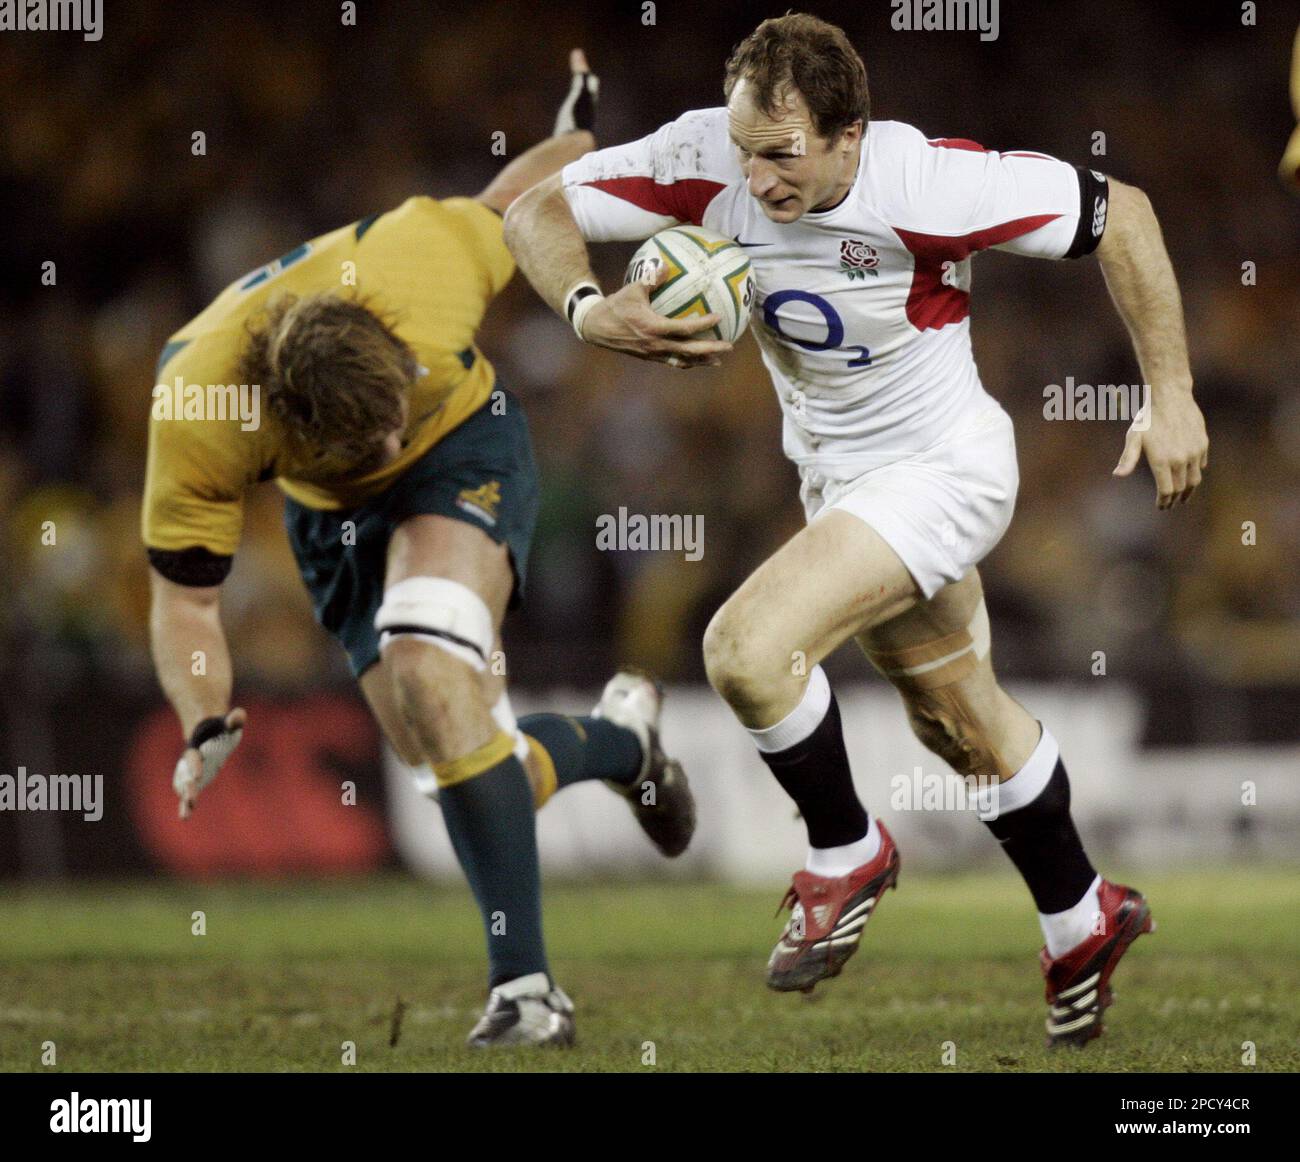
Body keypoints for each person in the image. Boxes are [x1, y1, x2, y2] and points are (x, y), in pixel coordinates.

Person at [502, 15, 1208, 1048]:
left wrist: (1172, 393)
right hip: (838, 482)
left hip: (943, 471)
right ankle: (1081, 915)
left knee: (744, 651)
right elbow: (533, 208)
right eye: (745, 148)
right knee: (955, 718)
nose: (756, 175)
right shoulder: (705, 157)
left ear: (848, 135)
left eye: (781, 153)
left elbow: (1126, 214)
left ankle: (844, 851)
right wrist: (582, 307)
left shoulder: (924, 185)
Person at [142, 51, 694, 1049]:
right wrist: (197, 714)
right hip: (329, 521)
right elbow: (185, 604)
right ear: (285, 424)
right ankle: (624, 743)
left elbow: (520, 192)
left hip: (467, 447)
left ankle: (526, 992)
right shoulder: (197, 411)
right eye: (368, 437)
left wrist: (578, 124)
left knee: (430, 664)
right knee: (448, 752)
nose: (387, 442)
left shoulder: (424, 265)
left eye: (391, 409)